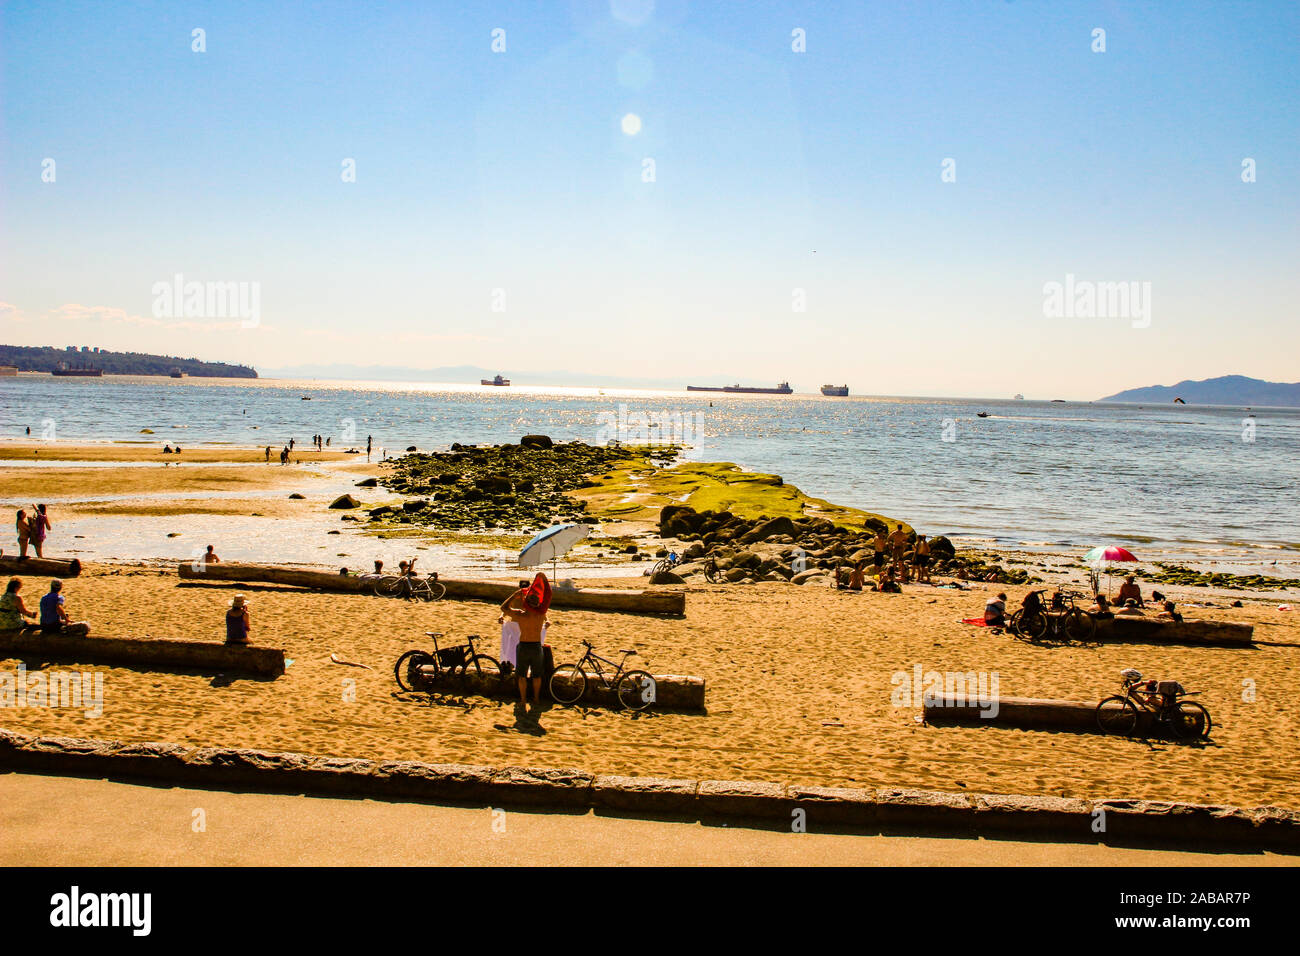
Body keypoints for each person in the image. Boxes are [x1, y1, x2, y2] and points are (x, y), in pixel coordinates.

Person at [501, 572, 551, 708]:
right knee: (537, 676)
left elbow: (503, 608)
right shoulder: (540, 615)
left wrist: (514, 595)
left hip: (523, 645)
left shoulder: (520, 615)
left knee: (522, 676)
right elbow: (547, 594)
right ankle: (536, 699)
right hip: (536, 646)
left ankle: (523, 700)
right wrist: (543, 578)